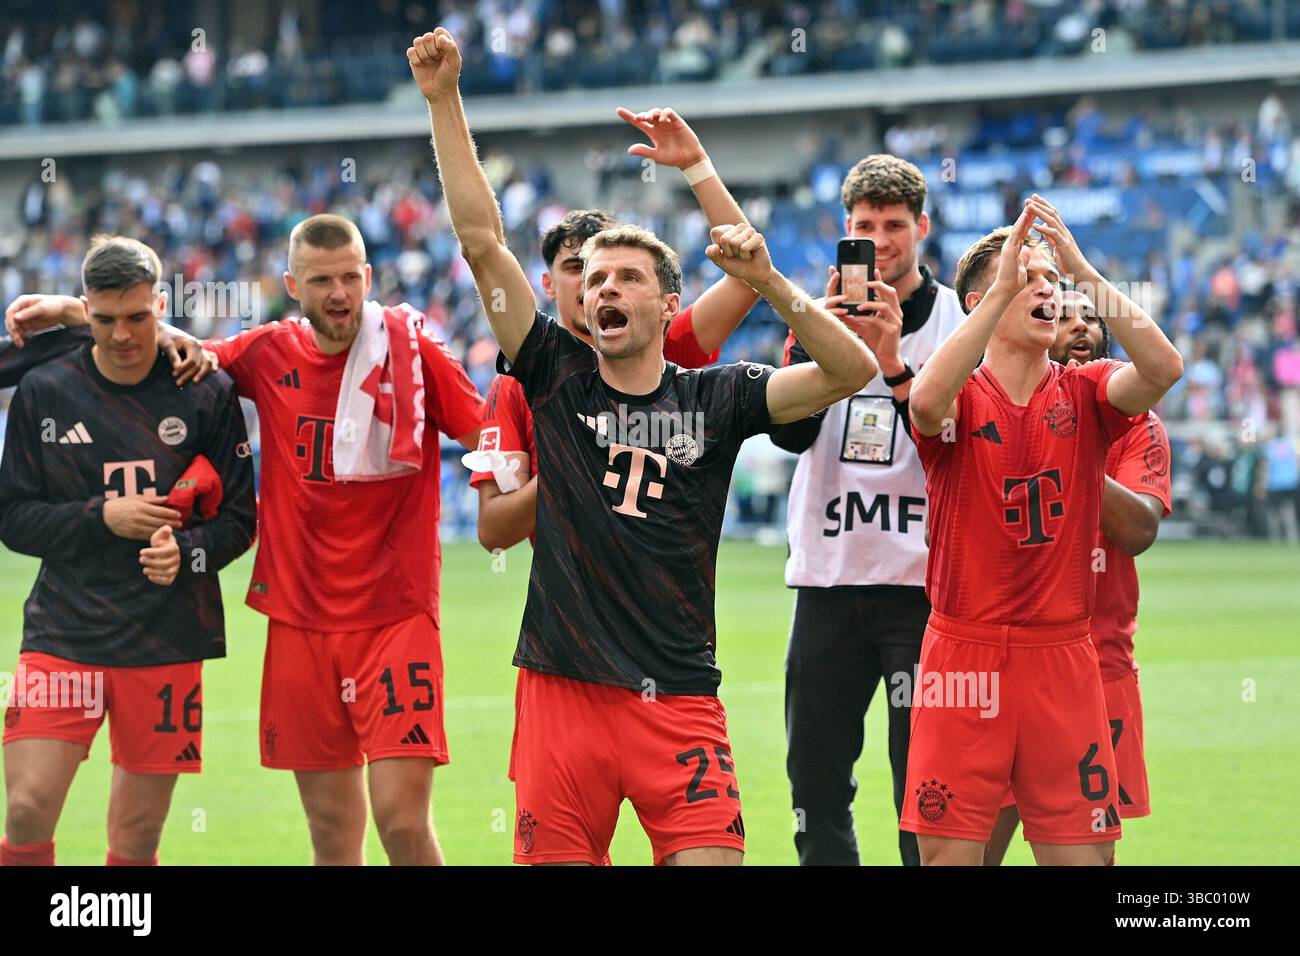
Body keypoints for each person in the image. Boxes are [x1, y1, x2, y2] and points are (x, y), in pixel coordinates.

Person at [412, 26, 875, 865]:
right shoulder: (551, 377)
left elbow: (852, 370)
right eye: (592, 280)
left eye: (626, 277)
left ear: (667, 305)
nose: (604, 289)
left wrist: (770, 281)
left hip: (680, 697)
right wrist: (445, 99)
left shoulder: (717, 393)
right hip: (564, 691)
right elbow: (481, 244)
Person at [7, 216, 485, 866]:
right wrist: (75, 313)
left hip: (393, 616)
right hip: (297, 621)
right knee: (332, 837)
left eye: (350, 277)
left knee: (402, 823)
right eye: (322, 280)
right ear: (292, 284)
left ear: (369, 277)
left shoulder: (413, 351)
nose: (339, 293)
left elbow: (492, 440)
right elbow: (175, 346)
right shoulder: (266, 353)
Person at [901, 195, 1182, 865]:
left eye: (1050, 279)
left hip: (1063, 655)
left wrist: (1083, 272)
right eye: (1025, 277)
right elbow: (925, 402)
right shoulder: (960, 396)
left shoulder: (1086, 389)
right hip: (963, 655)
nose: (1046, 289)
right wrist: (1004, 290)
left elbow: (1164, 369)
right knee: (947, 858)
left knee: (1084, 858)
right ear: (983, 301)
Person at [0, 236, 256, 867]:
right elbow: (13, 518)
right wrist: (101, 517)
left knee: (137, 835)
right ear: (84, 310)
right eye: (106, 318)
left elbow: (241, 520)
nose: (121, 335)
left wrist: (187, 553)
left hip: (167, 638)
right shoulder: (45, 390)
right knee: (27, 808)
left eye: (138, 317)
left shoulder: (205, 390)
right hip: (65, 633)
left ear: (161, 307)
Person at [772, 154, 966, 866]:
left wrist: (890, 362)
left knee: (924, 786)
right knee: (814, 782)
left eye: (893, 225)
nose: (879, 241)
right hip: (828, 580)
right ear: (844, 230)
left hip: (924, 587)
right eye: (864, 226)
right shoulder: (819, 321)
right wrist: (814, 341)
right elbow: (790, 435)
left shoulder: (957, 322)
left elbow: (955, 443)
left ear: (922, 227)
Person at [473, 107, 758, 553]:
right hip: (569, 590)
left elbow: (746, 278)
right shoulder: (516, 384)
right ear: (548, 284)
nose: (602, 285)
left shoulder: (663, 345)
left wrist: (696, 167)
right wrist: (574, 454)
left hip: (669, 583)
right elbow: (494, 532)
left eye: (619, 273)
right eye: (579, 270)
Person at [983, 287, 1173, 865]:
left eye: (1090, 316)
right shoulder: (991, 409)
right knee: (972, 849)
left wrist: (1074, 451)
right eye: (1062, 315)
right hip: (1005, 659)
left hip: (1098, 664)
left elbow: (1139, 529)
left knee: (1090, 855)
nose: (1080, 325)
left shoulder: (1137, 424)